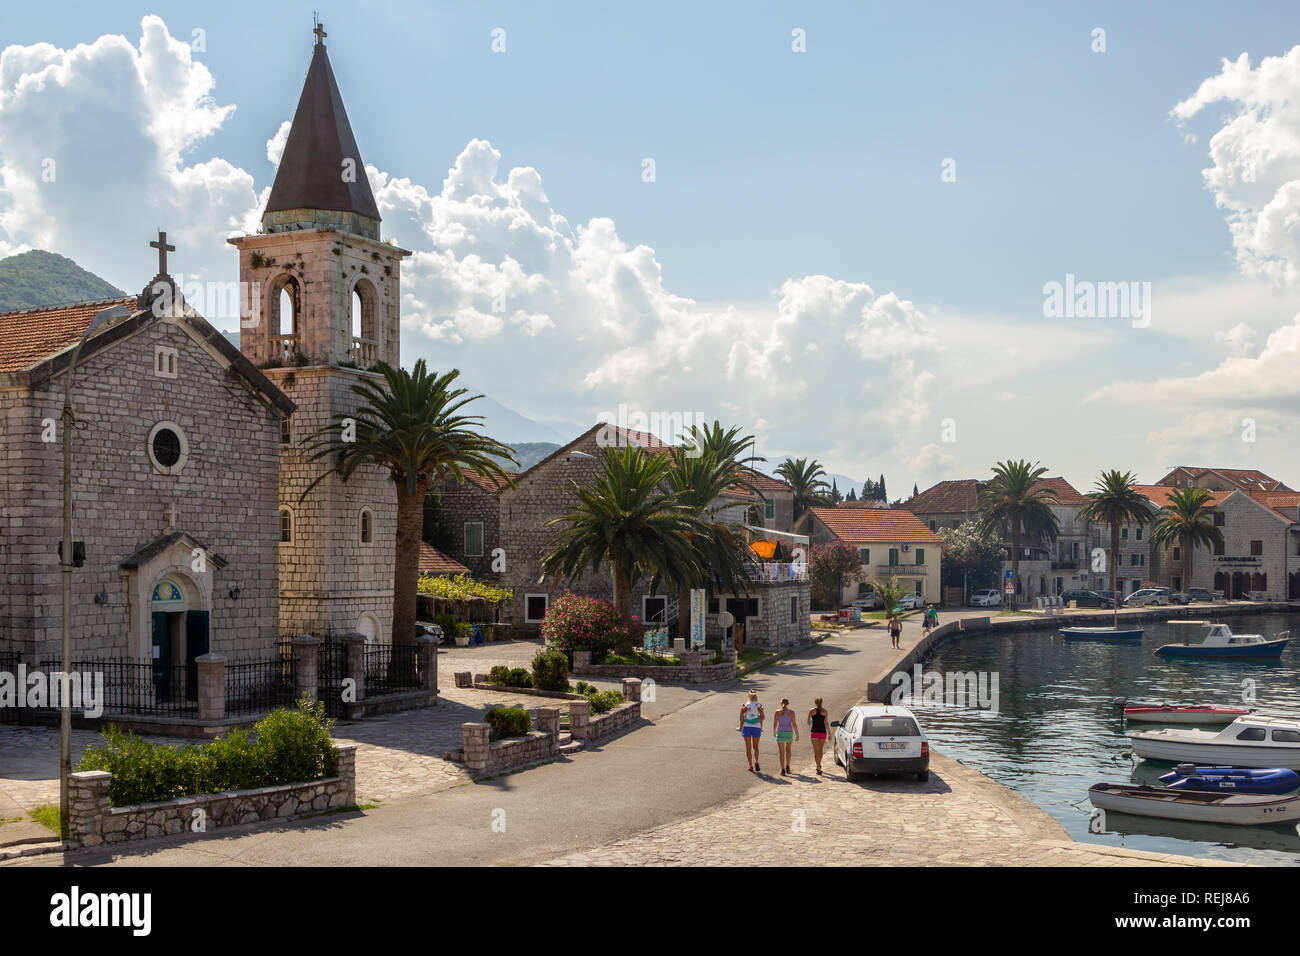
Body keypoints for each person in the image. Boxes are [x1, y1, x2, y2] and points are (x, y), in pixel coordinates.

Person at [739, 690, 765, 772]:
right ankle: (756, 761)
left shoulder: (746, 705)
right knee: (756, 747)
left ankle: (750, 766)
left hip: (747, 726)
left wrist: (741, 710)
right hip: (757, 727)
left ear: (749, 697)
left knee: (748, 748)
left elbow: (741, 718)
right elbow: (762, 717)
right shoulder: (759, 705)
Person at [773, 697, 799, 775]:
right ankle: (787, 766)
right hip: (789, 733)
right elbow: (794, 724)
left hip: (780, 732)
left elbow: (775, 723)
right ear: (788, 704)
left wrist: (774, 731)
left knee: (781, 752)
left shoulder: (777, 712)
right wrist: (797, 734)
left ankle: (782, 769)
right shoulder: (792, 712)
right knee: (788, 750)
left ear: (780, 704)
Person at [808, 697, 830, 775]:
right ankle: (819, 765)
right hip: (823, 732)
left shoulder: (811, 711)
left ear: (815, 702)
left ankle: (818, 767)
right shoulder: (825, 711)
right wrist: (830, 734)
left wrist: (812, 719)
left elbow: (808, 722)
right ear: (822, 702)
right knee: (820, 751)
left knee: (816, 751)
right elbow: (826, 723)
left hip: (814, 732)